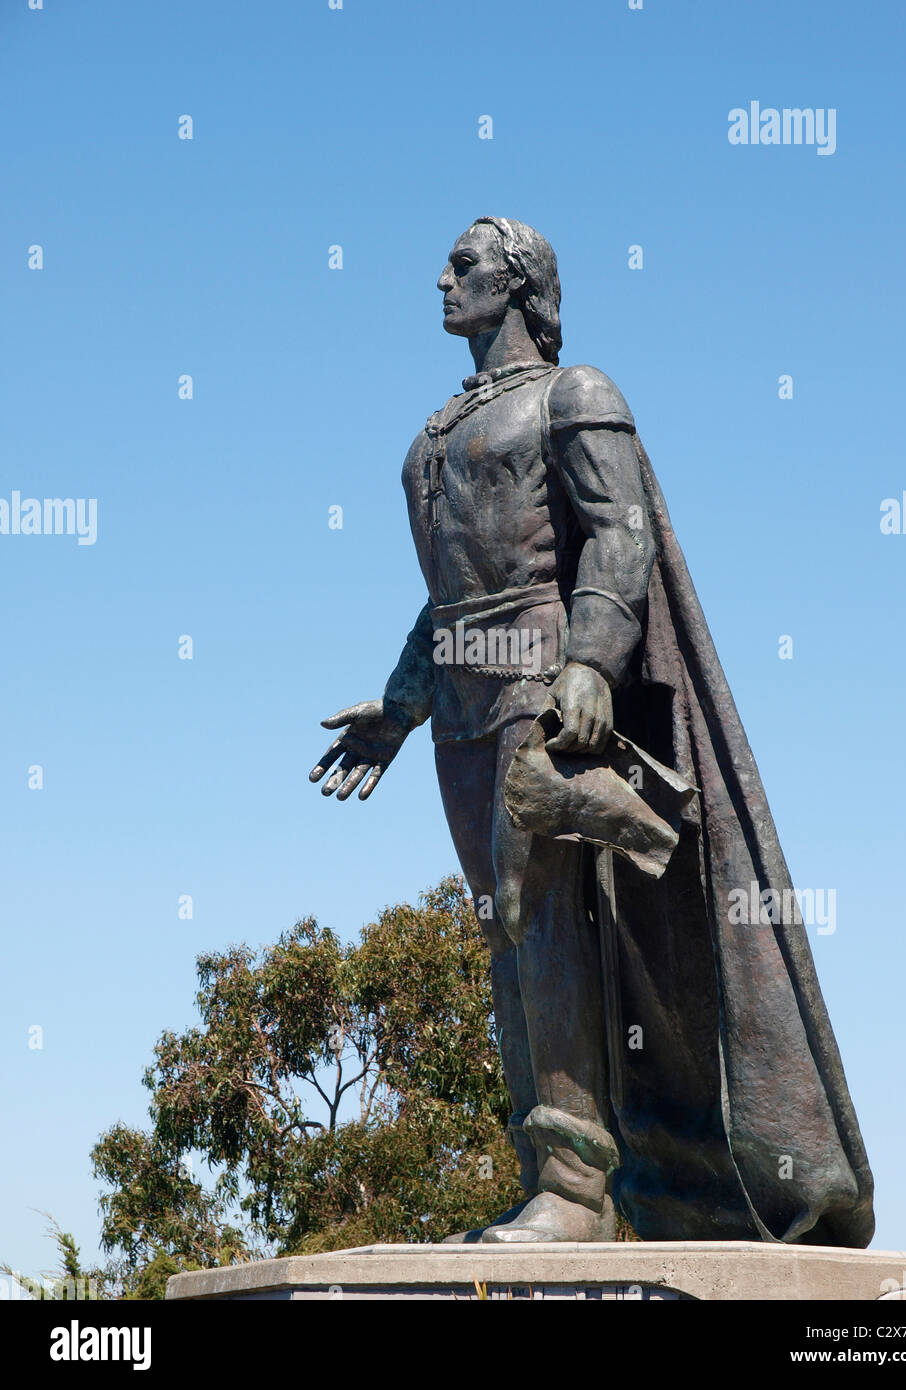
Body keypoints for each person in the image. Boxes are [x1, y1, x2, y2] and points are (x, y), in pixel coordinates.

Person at [310, 218, 874, 1247]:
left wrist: (589, 662)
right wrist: (399, 707)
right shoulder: (431, 435)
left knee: (545, 918)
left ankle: (574, 1187)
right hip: (464, 709)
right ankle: (551, 1175)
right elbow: (443, 598)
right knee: (506, 931)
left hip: (541, 681)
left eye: (464, 266)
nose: (441, 280)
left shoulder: (578, 395)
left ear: (518, 284)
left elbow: (621, 534)